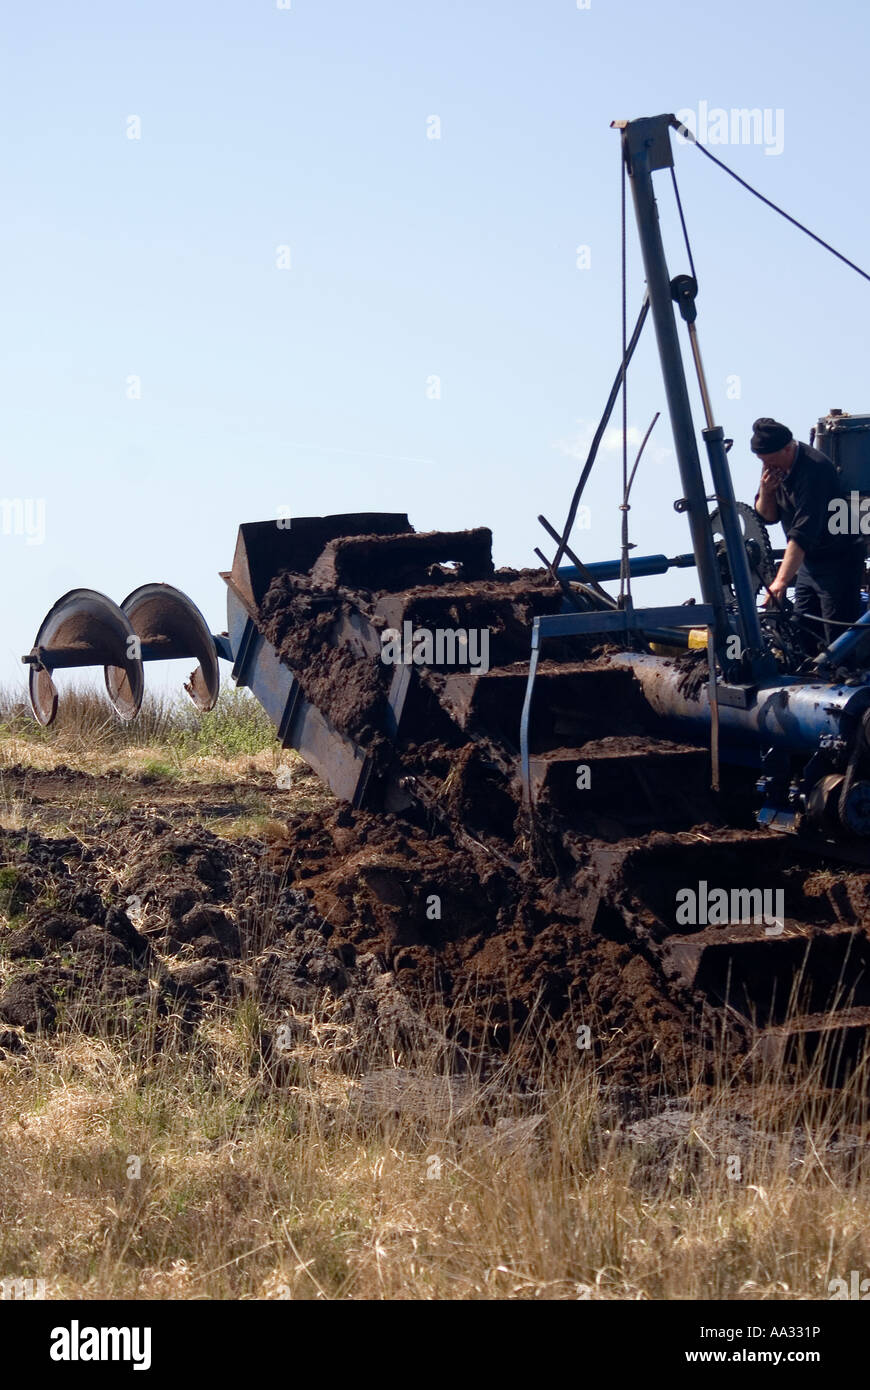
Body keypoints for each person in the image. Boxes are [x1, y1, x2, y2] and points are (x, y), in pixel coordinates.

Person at [752, 416, 864, 648]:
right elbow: (767, 516)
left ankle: (845, 676)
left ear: (787, 448)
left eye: (771, 461)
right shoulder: (774, 469)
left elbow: (802, 533)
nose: (768, 467)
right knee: (802, 631)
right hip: (809, 564)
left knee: (838, 638)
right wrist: (766, 491)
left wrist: (780, 582)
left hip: (838, 561)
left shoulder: (815, 470)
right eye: (763, 462)